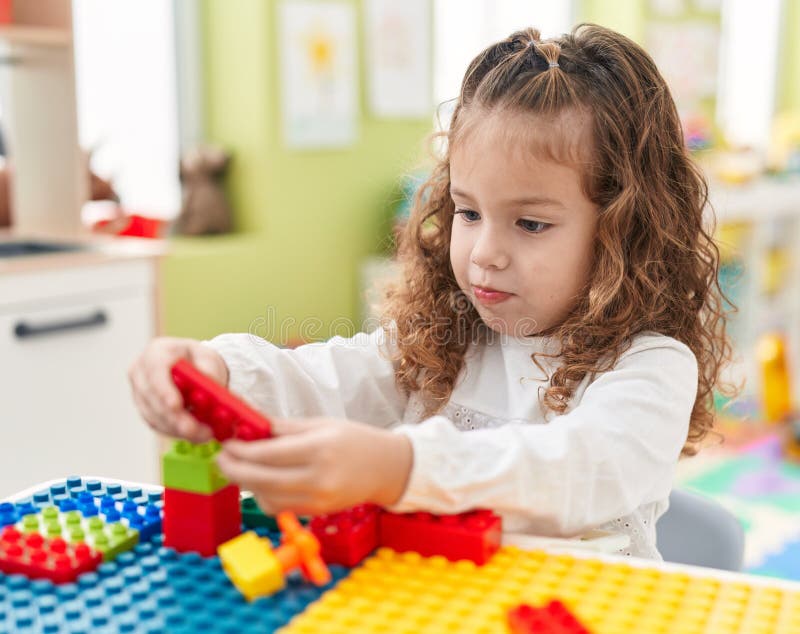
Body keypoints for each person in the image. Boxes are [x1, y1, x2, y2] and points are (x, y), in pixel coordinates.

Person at [128, 24, 732, 559]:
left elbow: (577, 470)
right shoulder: (444, 343)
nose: (485, 252)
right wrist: (218, 371)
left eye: (530, 224)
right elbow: (323, 378)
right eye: (468, 213)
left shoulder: (650, 367)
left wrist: (400, 468)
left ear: (623, 232)